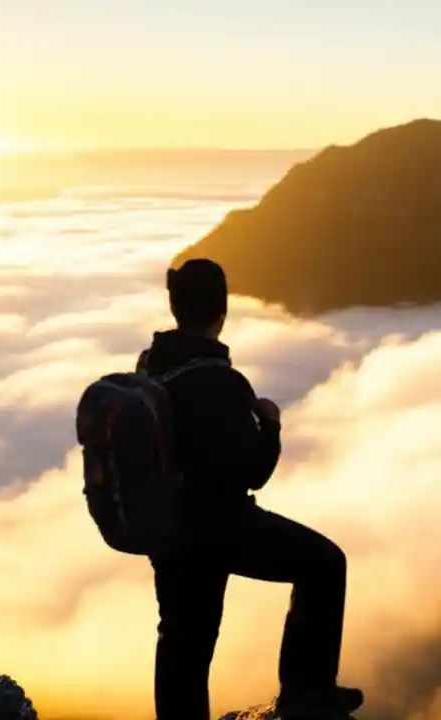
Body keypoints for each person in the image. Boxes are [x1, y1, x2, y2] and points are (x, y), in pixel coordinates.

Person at [140, 258, 361, 720]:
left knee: (182, 640)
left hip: (168, 530)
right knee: (324, 564)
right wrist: (272, 425)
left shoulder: (150, 367)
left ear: (176, 307)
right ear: (221, 312)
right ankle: (307, 693)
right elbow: (253, 470)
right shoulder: (220, 380)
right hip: (220, 525)